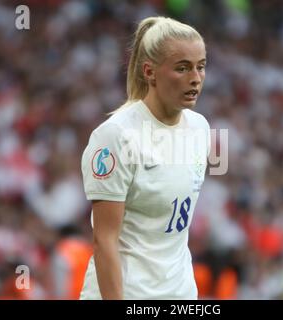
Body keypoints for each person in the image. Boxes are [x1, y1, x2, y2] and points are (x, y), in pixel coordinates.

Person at [79, 16, 210, 299]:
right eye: (182, 68)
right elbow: (105, 241)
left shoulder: (200, 127)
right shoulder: (116, 136)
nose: (195, 78)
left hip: (180, 294)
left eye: (201, 67)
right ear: (149, 72)